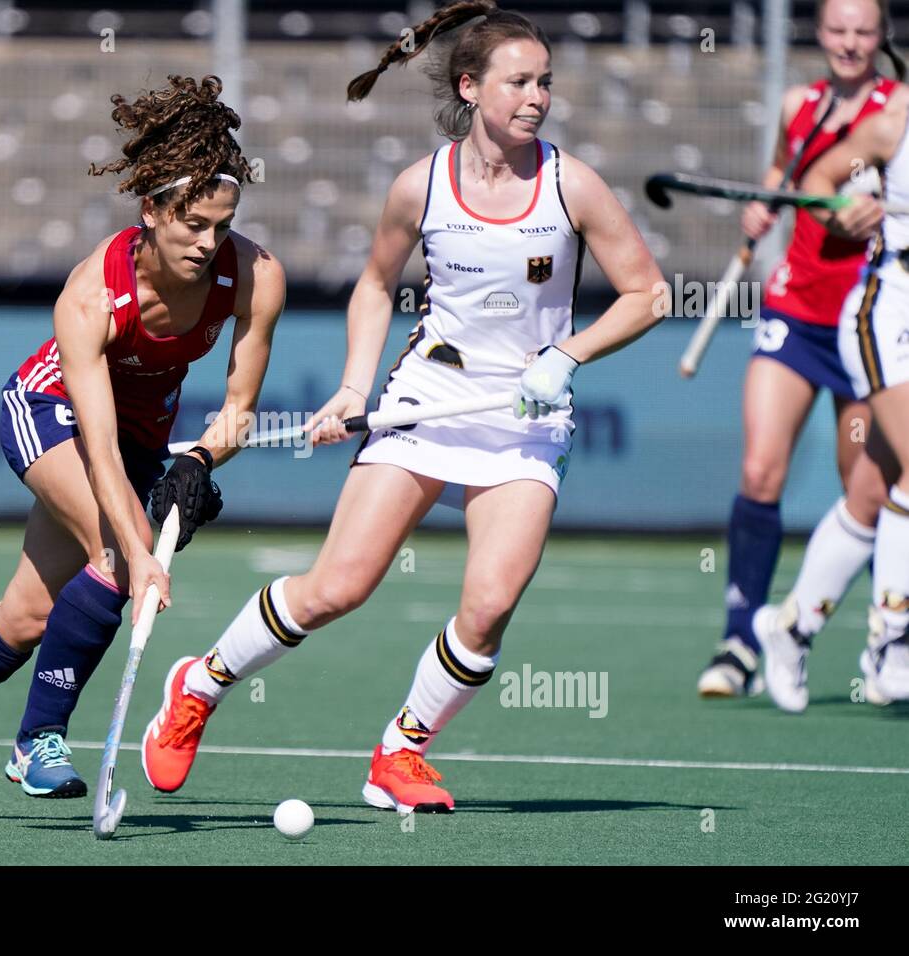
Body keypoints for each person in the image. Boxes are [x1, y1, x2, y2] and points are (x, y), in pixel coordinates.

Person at [140, 1, 666, 812]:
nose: (537, 97)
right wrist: (356, 385)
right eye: (519, 81)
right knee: (338, 587)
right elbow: (377, 285)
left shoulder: (574, 185)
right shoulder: (421, 185)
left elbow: (648, 295)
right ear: (471, 86)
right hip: (426, 396)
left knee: (488, 609)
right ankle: (201, 685)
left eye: (546, 82)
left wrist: (566, 356)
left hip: (526, 417)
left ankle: (402, 749)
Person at [0, 75, 286, 818]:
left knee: (25, 619)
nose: (210, 244)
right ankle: (38, 740)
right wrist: (140, 552)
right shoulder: (90, 297)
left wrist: (202, 460)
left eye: (223, 224)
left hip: (141, 435)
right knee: (117, 557)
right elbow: (99, 445)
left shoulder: (255, 276)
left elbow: (238, 412)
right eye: (194, 226)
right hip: (48, 413)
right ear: (151, 211)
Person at [696, 0, 905, 700]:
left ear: (882, 37)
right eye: (838, 30)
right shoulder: (802, 103)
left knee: (869, 492)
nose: (849, 43)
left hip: (867, 309)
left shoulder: (891, 104)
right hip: (801, 307)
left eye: (863, 31)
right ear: (820, 33)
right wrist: (765, 205)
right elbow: (791, 177)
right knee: (760, 468)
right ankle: (738, 639)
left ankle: (812, 628)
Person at [776, 70, 909, 708]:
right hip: (892, 308)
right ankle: (894, 640)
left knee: (872, 486)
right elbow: (820, 179)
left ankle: (793, 625)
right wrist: (848, 209)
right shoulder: (893, 124)